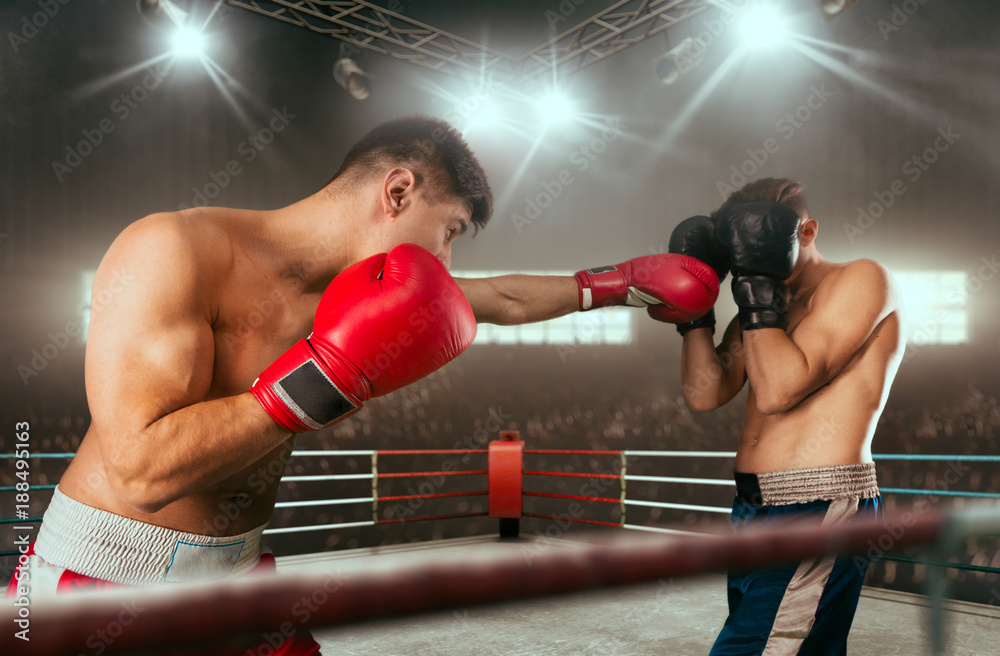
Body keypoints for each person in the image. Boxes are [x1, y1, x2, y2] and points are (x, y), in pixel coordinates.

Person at [6, 115, 718, 655]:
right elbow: (138, 469)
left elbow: (501, 298)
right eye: (451, 231)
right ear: (398, 190)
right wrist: (324, 379)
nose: (447, 258)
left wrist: (616, 285)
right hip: (104, 589)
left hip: (239, 578)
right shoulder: (174, 249)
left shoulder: (350, 297)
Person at [662, 177, 905, 655]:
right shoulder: (766, 309)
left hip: (819, 503)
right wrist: (695, 313)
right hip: (751, 505)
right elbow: (705, 393)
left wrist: (752, 290)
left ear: (807, 231)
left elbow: (780, 390)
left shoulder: (862, 278)